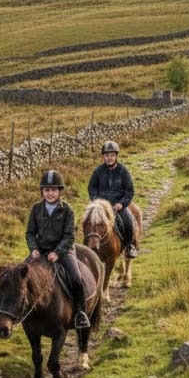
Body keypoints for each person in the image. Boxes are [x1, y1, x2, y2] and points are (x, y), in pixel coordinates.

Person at [25, 170, 90, 330]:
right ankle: (23, 311)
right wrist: (34, 249)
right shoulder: (36, 209)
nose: (50, 193)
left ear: (60, 191)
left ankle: (81, 313)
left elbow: (69, 236)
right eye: (47, 190)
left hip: (64, 251)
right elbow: (30, 233)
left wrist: (57, 252)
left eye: (54, 190)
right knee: (20, 277)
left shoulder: (67, 210)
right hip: (40, 251)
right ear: (42, 191)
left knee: (76, 278)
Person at [88, 140, 138, 258]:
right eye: (107, 155)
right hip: (101, 207)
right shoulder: (98, 171)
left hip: (118, 206)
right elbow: (91, 187)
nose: (109, 158)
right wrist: (96, 201)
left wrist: (121, 204)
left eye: (112, 155)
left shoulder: (123, 171)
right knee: (89, 221)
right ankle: (87, 244)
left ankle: (129, 246)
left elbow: (129, 191)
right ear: (103, 156)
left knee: (129, 221)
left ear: (116, 156)